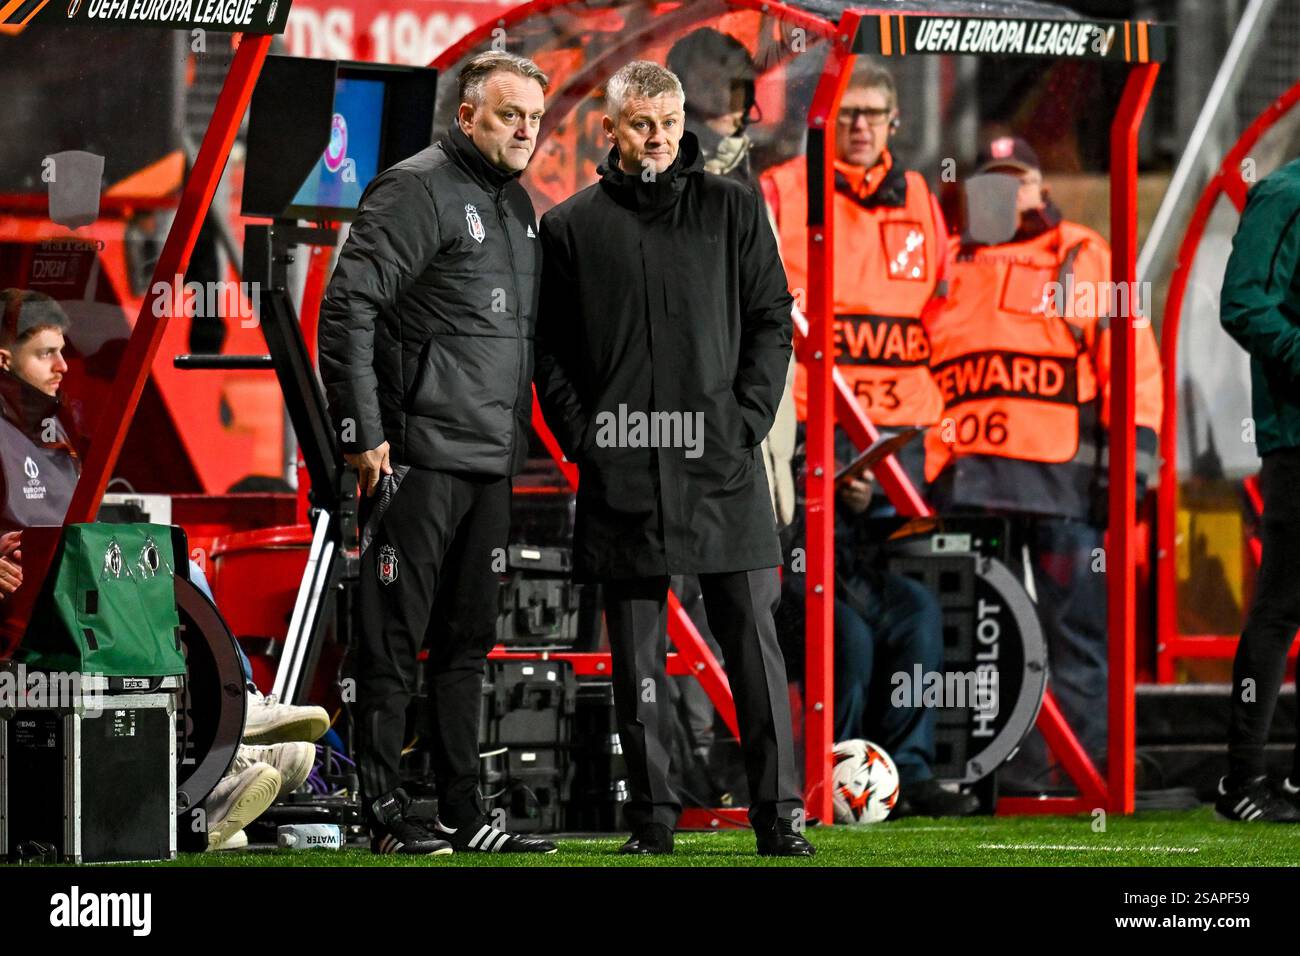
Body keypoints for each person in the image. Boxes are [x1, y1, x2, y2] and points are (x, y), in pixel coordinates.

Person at [534, 60, 810, 857]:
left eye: (669, 122)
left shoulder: (734, 207)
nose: (658, 137)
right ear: (611, 129)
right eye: (641, 124)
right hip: (622, 469)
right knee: (637, 659)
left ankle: (779, 817)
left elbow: (772, 321)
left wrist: (744, 421)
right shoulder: (570, 227)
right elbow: (549, 351)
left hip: (722, 466)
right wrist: (586, 438)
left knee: (752, 644)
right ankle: (652, 821)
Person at [317, 51, 557, 855]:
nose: (525, 130)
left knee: (465, 648)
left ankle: (465, 813)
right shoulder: (415, 188)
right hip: (414, 457)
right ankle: (380, 813)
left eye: (534, 117)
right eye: (509, 114)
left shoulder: (518, 205)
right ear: (467, 116)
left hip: (489, 461)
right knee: (390, 645)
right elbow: (348, 307)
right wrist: (362, 433)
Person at [0, 288, 322, 850]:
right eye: (46, 353)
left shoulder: (55, 434)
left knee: (172, 567)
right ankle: (234, 730)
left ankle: (218, 771)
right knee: (167, 579)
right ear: (5, 360)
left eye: (63, 350)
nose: (63, 365)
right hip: (31, 611)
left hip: (67, 593)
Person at [923, 137, 1163, 787]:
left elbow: (1132, 364)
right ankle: (998, 775)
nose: (1008, 193)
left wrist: (1134, 463)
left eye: (1020, 180)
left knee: (1074, 632)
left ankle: (1080, 770)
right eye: (993, 181)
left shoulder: (1082, 253)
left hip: (1065, 486)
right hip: (970, 482)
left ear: (1042, 189)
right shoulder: (949, 260)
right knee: (979, 634)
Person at [760, 58, 949, 494]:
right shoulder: (783, 189)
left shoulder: (920, 197)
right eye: (848, 114)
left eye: (873, 114)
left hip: (904, 425)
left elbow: (941, 307)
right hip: (812, 418)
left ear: (893, 120)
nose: (861, 126)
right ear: (825, 118)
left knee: (898, 538)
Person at [778, 429, 979, 817]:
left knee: (917, 611)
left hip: (839, 565)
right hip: (781, 573)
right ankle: (841, 775)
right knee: (848, 635)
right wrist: (802, 490)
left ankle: (909, 773)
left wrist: (858, 500)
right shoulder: (776, 411)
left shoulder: (830, 422)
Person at [1216, 156, 1300, 822]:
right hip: (1297, 434)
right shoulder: (1284, 194)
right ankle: (1241, 779)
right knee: (1281, 605)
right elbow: (1241, 304)